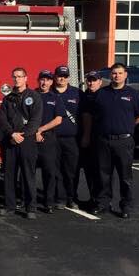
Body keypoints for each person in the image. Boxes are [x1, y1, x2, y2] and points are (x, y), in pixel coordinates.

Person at [82, 63, 139, 219]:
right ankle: (103, 203)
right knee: (103, 175)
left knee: (125, 176)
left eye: (119, 73)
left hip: (124, 142)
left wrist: (127, 127)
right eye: (114, 73)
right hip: (103, 141)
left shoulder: (133, 94)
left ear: (125, 75)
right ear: (110, 76)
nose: (116, 76)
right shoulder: (101, 94)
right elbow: (90, 115)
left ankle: (126, 206)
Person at [0, 67, 42, 219]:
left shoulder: (34, 96)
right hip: (10, 141)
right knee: (9, 175)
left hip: (27, 141)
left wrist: (22, 135)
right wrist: (12, 133)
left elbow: (36, 120)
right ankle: (9, 206)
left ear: (26, 78)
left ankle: (31, 208)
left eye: (20, 76)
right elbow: (2, 119)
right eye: (14, 76)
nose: (17, 79)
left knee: (28, 175)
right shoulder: (8, 97)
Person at [51, 65, 82, 208]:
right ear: (55, 76)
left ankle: (71, 197)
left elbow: (85, 116)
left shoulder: (77, 93)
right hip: (53, 138)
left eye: (64, 76)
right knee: (56, 170)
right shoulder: (48, 93)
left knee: (71, 170)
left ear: (68, 77)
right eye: (59, 75)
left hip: (71, 139)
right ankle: (60, 198)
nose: (61, 78)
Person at [34, 69, 61, 213]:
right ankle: (28, 201)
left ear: (52, 82)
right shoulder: (31, 95)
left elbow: (58, 119)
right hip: (31, 138)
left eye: (48, 80)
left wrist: (41, 130)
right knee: (28, 171)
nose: (45, 82)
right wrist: (34, 131)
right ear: (38, 80)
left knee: (49, 172)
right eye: (42, 79)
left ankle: (48, 202)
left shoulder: (55, 97)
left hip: (48, 139)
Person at [78, 71, 103, 207]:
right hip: (86, 139)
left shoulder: (105, 95)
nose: (91, 82)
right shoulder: (83, 96)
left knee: (101, 172)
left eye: (94, 80)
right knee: (89, 170)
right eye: (89, 80)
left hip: (101, 139)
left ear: (100, 81)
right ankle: (93, 198)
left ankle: (102, 201)